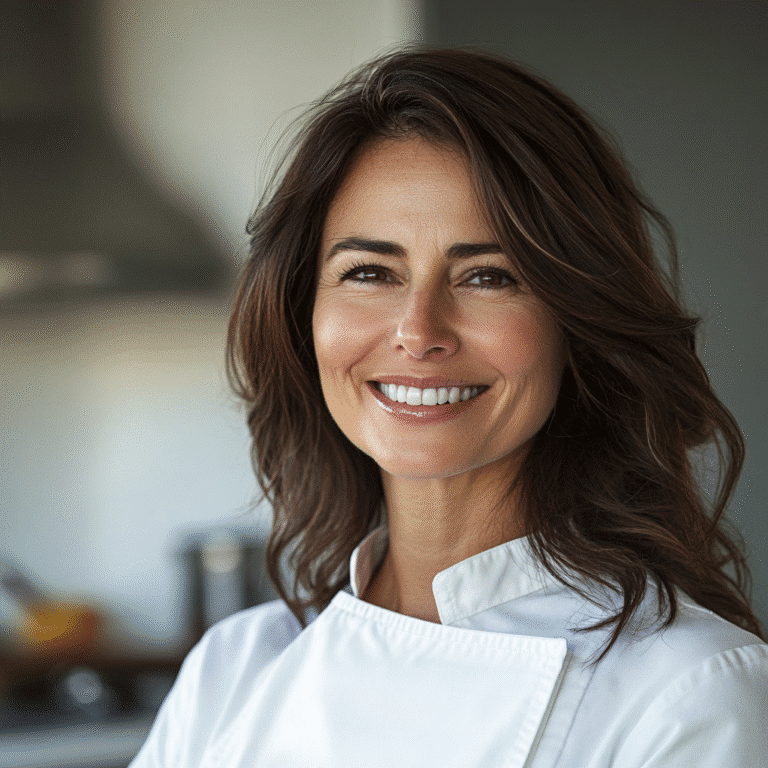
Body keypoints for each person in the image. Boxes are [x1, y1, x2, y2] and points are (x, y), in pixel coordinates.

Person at [130, 47, 767, 767]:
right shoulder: (234, 671)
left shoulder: (690, 694)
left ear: (576, 324)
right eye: (369, 272)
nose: (418, 331)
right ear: (304, 315)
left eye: (489, 276)